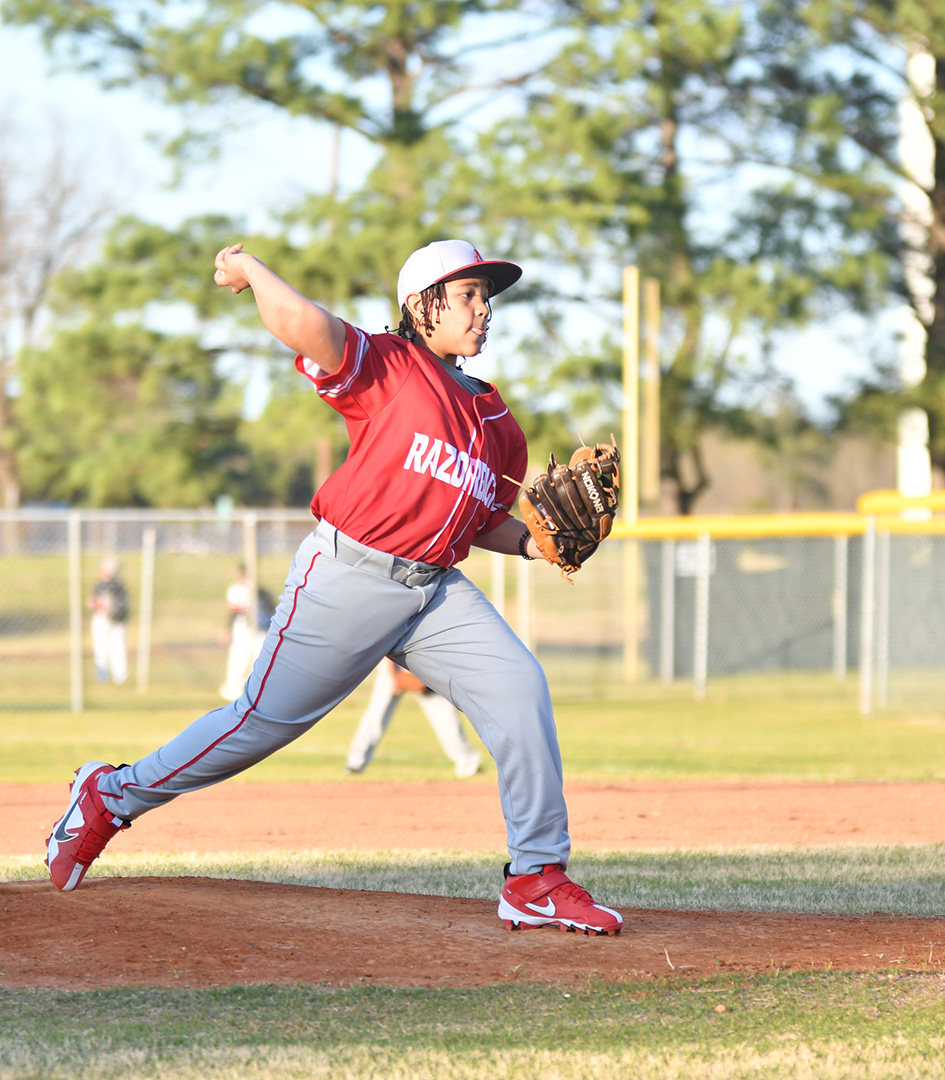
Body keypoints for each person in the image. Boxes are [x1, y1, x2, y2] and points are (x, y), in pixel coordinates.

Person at [45, 238, 622, 935]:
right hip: (349, 574)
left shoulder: (500, 426)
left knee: (520, 689)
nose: (482, 310)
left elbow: (481, 519)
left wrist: (535, 543)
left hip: (434, 590)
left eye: (486, 297)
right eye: (467, 294)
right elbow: (306, 327)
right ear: (421, 305)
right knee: (260, 724)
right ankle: (109, 795)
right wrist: (253, 271)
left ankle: (536, 875)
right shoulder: (391, 364)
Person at [345, 659, 481, 778]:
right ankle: (356, 761)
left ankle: (468, 762)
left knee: (445, 717)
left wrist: (425, 680)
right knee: (377, 713)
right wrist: (393, 676)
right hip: (393, 661)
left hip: (426, 663)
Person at [218, 565, 265, 699]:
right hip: (247, 627)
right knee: (244, 659)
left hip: (249, 628)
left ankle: (237, 690)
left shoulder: (242, 589)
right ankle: (240, 690)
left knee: (243, 659)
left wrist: (227, 628)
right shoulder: (255, 589)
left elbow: (233, 612)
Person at [89, 558, 130, 685]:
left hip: (104, 619)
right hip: (116, 621)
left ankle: (104, 677)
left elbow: (92, 602)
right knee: (116, 647)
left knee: (105, 648)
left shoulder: (102, 585)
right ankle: (119, 677)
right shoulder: (120, 586)